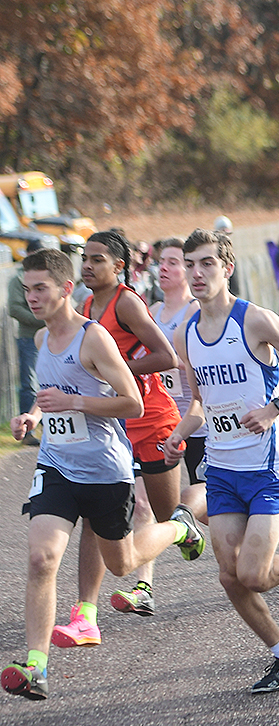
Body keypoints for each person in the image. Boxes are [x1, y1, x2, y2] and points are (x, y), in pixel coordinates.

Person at [4, 249, 205, 700]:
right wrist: (33, 416)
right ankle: (35, 665)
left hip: (105, 470)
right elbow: (51, 392)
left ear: (65, 289)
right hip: (57, 465)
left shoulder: (93, 338)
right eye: (27, 289)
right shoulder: (41, 338)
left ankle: (179, 527)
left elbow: (132, 402)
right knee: (41, 558)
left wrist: (75, 403)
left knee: (123, 563)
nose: (32, 297)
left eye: (40, 288)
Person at [161, 228, 279, 693]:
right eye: (189, 264)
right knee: (230, 576)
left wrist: (275, 408)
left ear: (227, 268)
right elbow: (199, 403)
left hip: (267, 465)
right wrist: (180, 433)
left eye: (207, 264)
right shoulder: (185, 333)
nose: (197, 273)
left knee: (253, 574)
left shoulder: (254, 321)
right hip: (221, 467)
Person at [58, 231, 187, 638]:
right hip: (113, 423)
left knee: (166, 514)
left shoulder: (126, 302)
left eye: (97, 259)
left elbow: (167, 356)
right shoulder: (85, 306)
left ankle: (185, 529)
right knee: (99, 512)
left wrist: (118, 371)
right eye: (85, 258)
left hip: (152, 418)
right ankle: (87, 613)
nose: (87, 265)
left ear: (118, 266)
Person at [151, 237, 207, 528]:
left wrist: (166, 360)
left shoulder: (194, 311)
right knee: (149, 503)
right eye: (161, 261)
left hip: (194, 422)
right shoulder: (152, 312)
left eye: (172, 263)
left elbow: (201, 362)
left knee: (205, 499)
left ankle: (244, 534)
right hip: (159, 421)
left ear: (187, 270)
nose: (163, 268)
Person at [9, 239, 45, 445]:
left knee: (49, 382)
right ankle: (26, 431)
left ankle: (46, 426)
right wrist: (41, 319)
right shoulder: (18, 279)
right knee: (30, 384)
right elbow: (14, 308)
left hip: (51, 336)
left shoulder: (49, 277)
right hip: (29, 337)